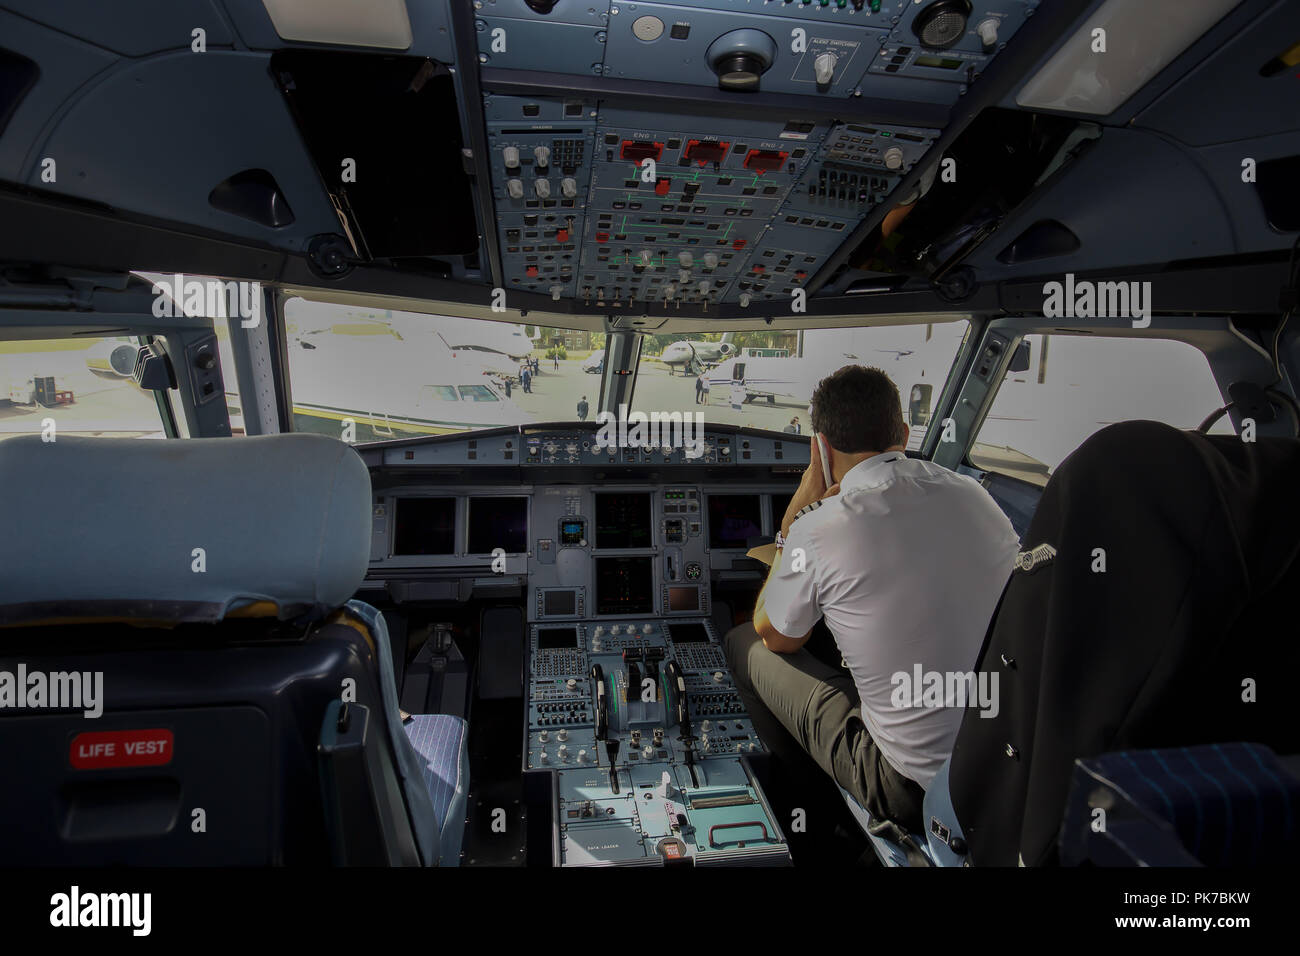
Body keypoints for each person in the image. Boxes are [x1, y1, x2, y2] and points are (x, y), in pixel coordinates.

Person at [724, 365, 1019, 833]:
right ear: (903, 433)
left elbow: (775, 636)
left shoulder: (818, 526)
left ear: (820, 447)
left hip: (907, 783)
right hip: (1001, 761)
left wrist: (790, 528)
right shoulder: (975, 497)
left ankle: (818, 826)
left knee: (743, 644)